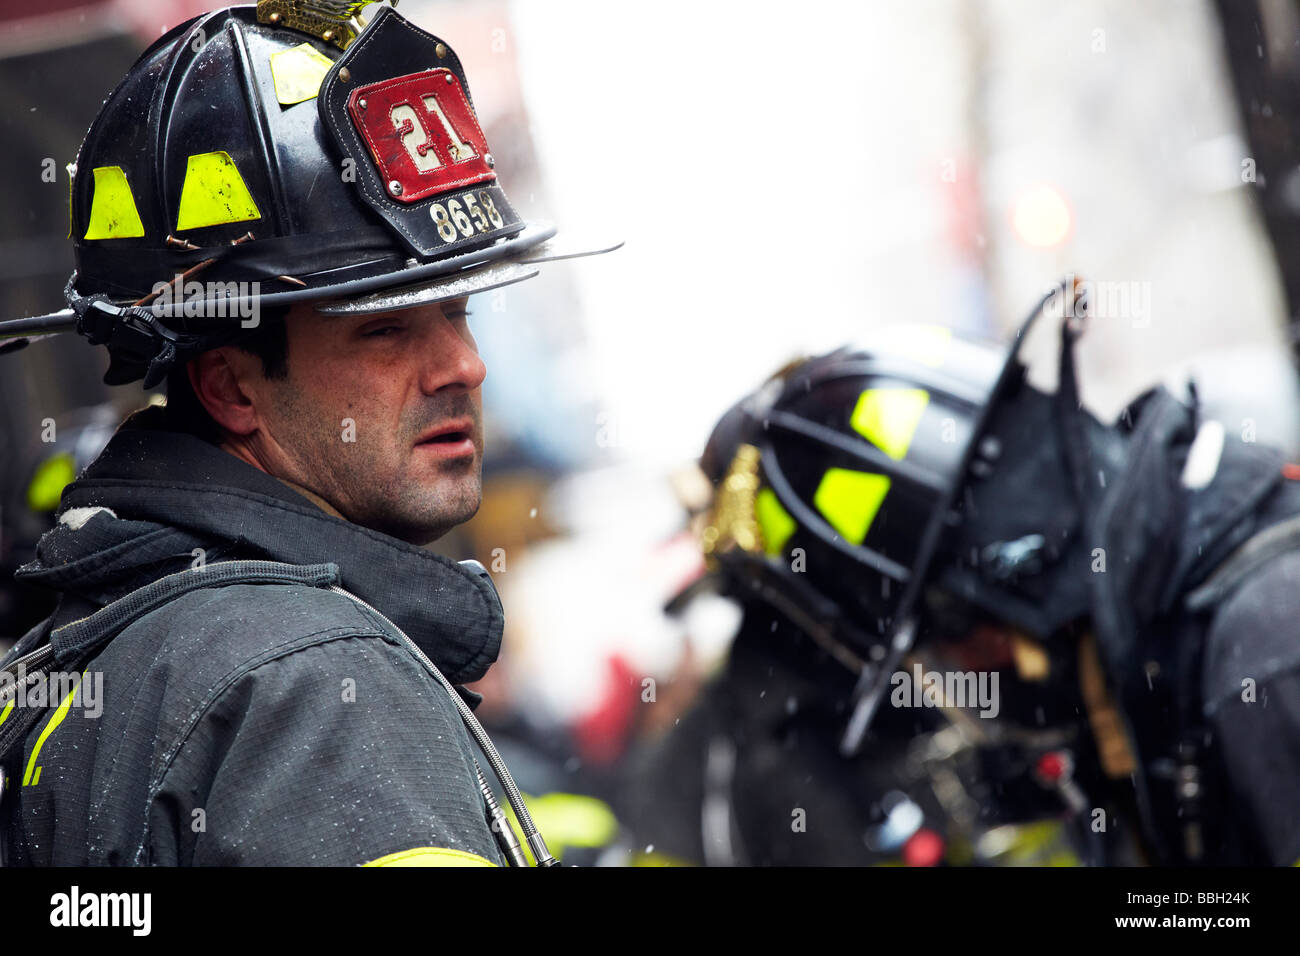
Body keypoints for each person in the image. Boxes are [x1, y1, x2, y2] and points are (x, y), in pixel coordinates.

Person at [0, 2, 614, 866]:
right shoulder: (315, 686)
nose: (464, 367)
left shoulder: (88, 658)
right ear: (231, 387)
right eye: (385, 329)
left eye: (458, 311)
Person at [621, 285, 1300, 866]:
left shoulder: (1267, 655)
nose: (964, 693)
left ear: (981, 608)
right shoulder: (1159, 662)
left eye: (933, 654)